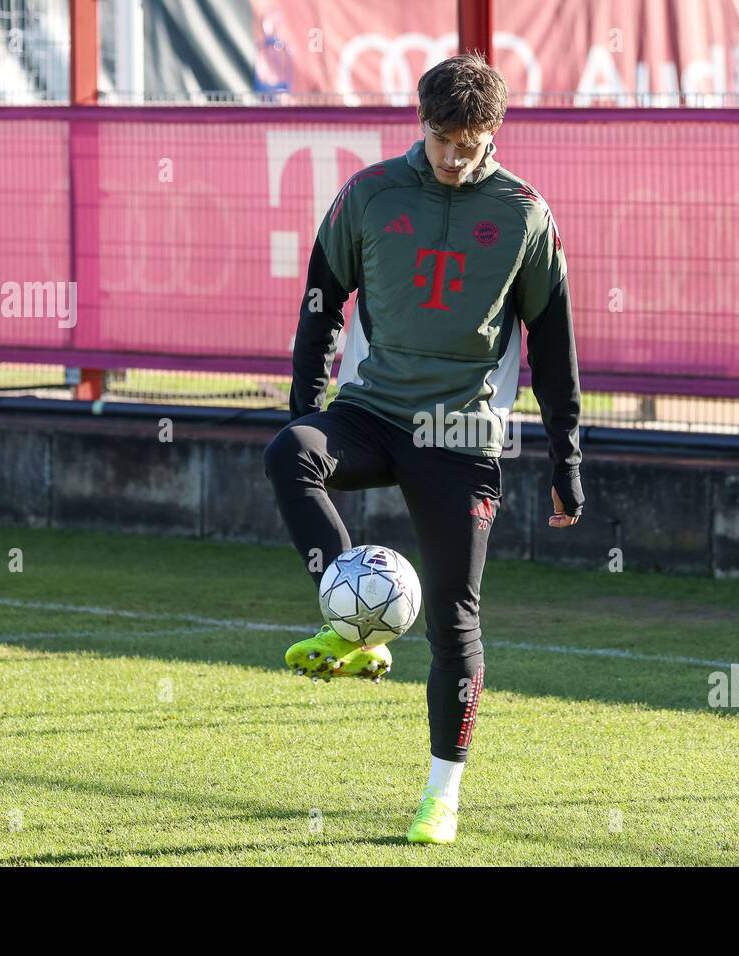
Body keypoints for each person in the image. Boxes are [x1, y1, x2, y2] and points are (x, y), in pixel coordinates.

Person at [263, 52, 583, 845]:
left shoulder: (524, 215)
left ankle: (442, 796)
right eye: (442, 139)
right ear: (422, 124)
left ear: (493, 135)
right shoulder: (370, 195)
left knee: (454, 623)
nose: (452, 156)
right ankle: (350, 622)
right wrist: (308, 402)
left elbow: (554, 342)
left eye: (469, 143)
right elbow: (321, 299)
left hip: (463, 437)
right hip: (372, 412)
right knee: (289, 451)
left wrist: (566, 455)